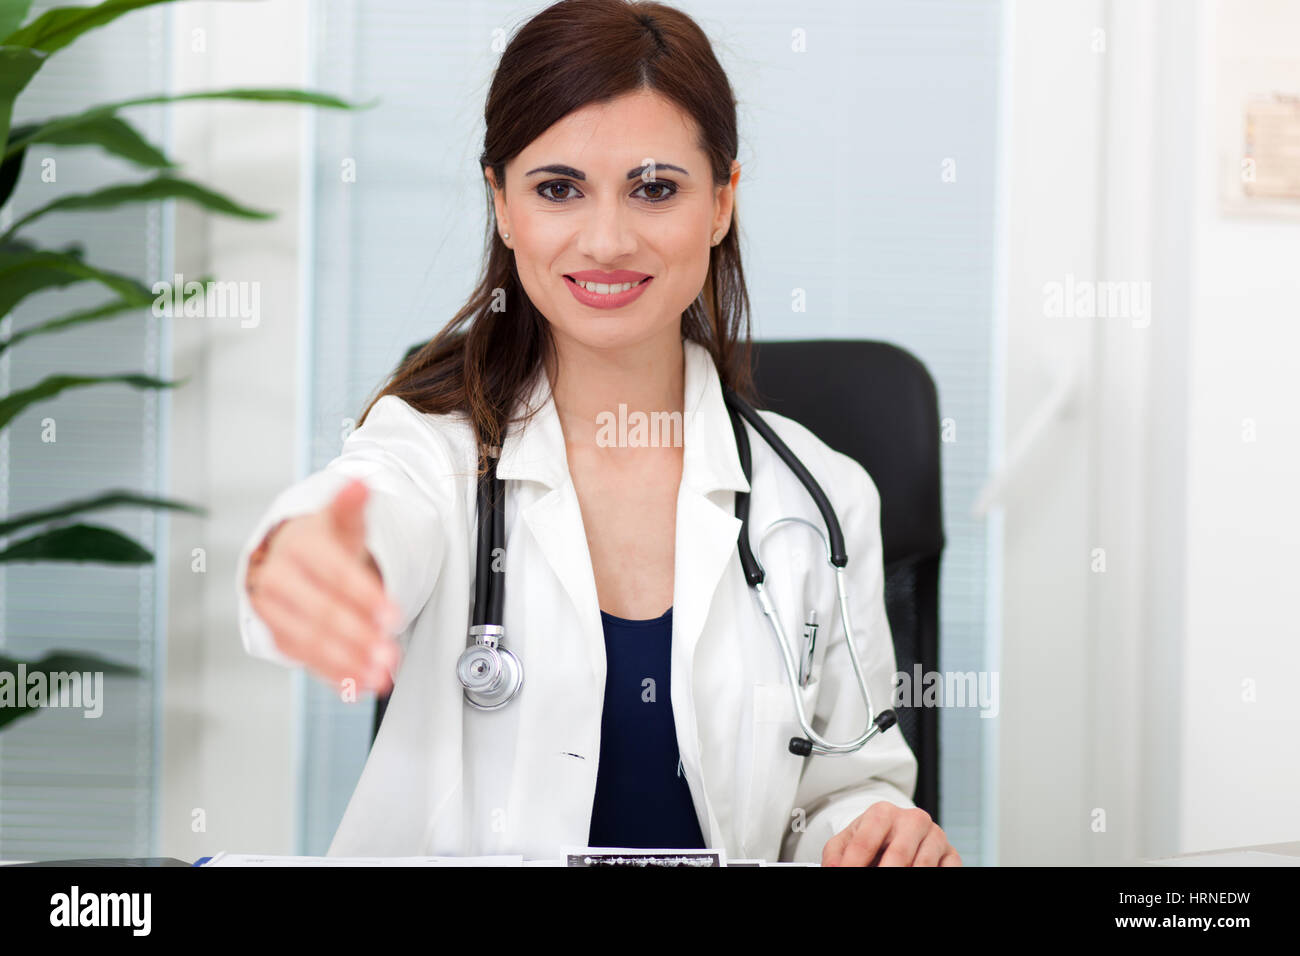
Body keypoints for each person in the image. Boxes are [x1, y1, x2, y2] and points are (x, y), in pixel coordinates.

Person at [237, 0, 960, 867]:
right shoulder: (430, 452)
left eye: (654, 189)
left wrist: (872, 830)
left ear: (723, 202)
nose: (607, 240)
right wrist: (310, 559)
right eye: (557, 189)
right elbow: (370, 514)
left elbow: (843, 789)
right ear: (501, 205)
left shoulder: (823, 496)